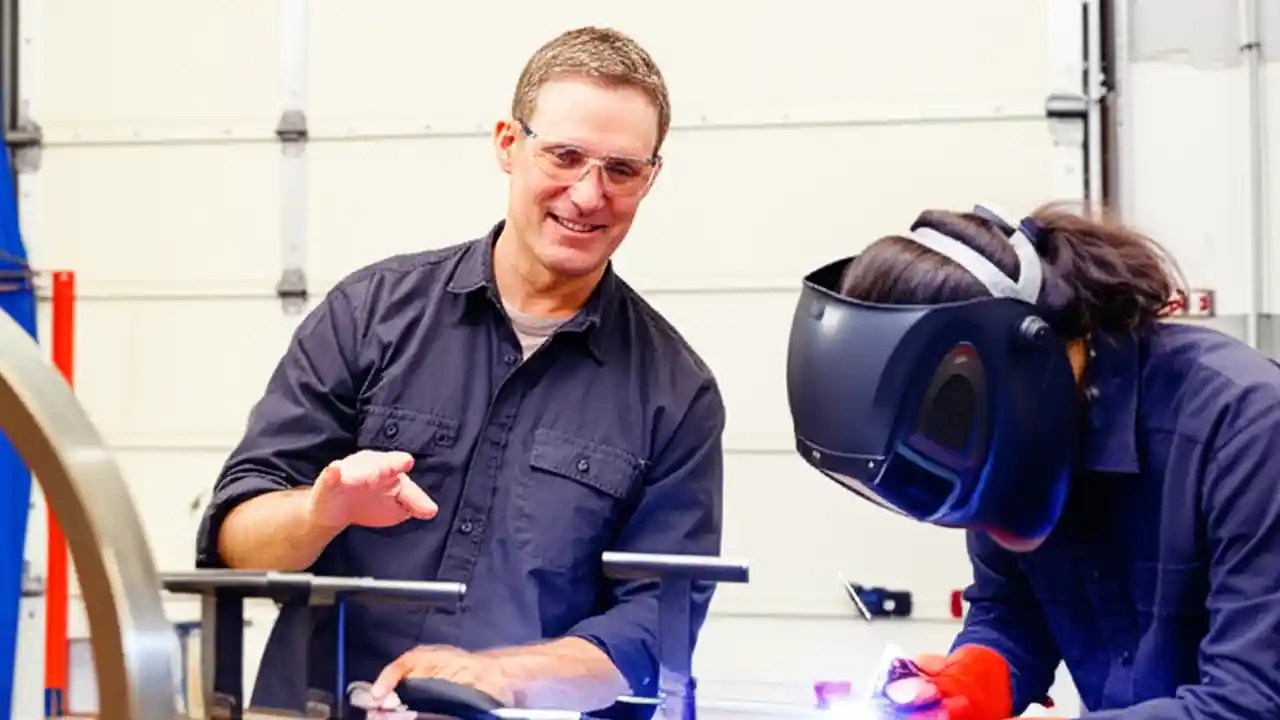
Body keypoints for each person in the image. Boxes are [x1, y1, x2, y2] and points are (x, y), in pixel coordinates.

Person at [194, 26, 725, 716]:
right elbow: (236, 539)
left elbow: (654, 633)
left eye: (622, 170)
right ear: (509, 143)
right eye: (564, 155)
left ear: (651, 177)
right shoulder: (370, 316)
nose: (590, 195)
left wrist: (500, 677)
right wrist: (320, 510)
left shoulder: (676, 392)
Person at [786, 201, 1280, 719]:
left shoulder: (1244, 427)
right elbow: (1011, 607)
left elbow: (1252, 702)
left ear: (1027, 355)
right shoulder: (1002, 446)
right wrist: (973, 679)